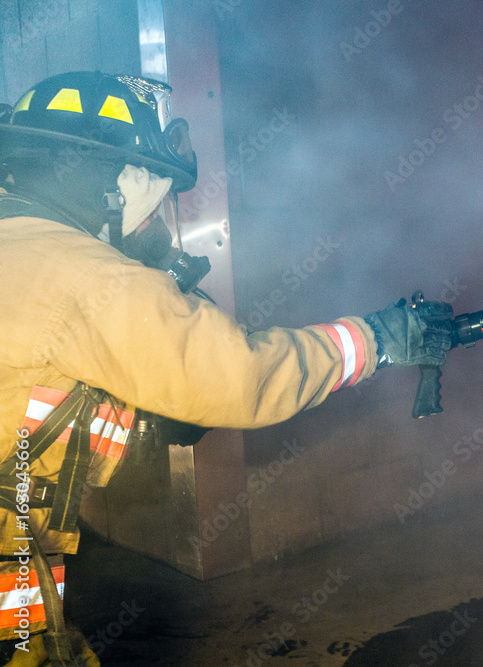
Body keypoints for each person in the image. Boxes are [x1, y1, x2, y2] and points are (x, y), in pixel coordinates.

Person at [0, 71, 453, 666]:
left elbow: (45, 388)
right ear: (101, 179)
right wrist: (374, 339)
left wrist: (146, 416)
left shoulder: (20, 244)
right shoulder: (81, 274)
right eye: (152, 193)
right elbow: (238, 376)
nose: (153, 219)